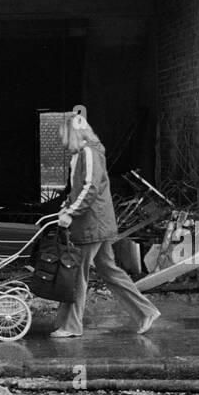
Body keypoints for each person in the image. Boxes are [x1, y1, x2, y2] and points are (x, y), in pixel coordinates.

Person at [50, 107, 160, 339]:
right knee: (109, 271)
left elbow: (90, 187)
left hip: (91, 225)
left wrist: (71, 212)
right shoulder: (85, 153)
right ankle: (146, 311)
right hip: (97, 223)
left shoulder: (88, 153)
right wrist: (66, 206)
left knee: (76, 273)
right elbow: (82, 189)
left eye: (63, 134)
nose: (62, 139)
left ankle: (70, 325)